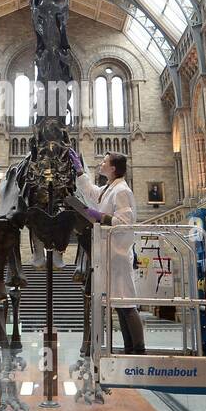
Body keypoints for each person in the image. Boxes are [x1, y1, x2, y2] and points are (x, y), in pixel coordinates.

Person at [69, 149, 145, 354]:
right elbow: (92, 193)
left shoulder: (122, 191)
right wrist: (79, 172)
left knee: (126, 303)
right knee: (119, 303)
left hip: (119, 255)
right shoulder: (109, 188)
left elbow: (124, 222)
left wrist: (98, 216)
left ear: (112, 168)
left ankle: (138, 349)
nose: (100, 164)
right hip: (110, 255)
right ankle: (129, 348)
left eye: (104, 162)